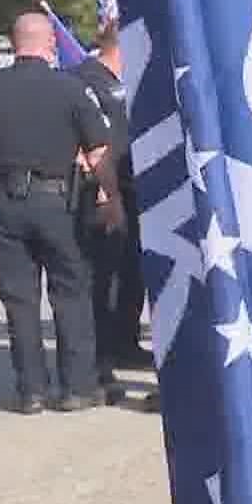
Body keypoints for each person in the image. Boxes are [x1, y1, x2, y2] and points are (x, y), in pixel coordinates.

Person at [0, 12, 121, 413]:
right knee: (71, 292)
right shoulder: (70, 89)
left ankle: (31, 391)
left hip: (4, 203)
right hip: (59, 203)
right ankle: (77, 387)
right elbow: (98, 152)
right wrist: (111, 197)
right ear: (50, 45)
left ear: (16, 41)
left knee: (19, 300)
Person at [74, 23, 148, 396]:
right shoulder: (86, 78)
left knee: (135, 272)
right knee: (105, 277)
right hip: (105, 191)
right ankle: (100, 354)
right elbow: (81, 138)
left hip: (137, 186)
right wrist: (104, 190)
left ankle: (126, 342)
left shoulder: (134, 76)